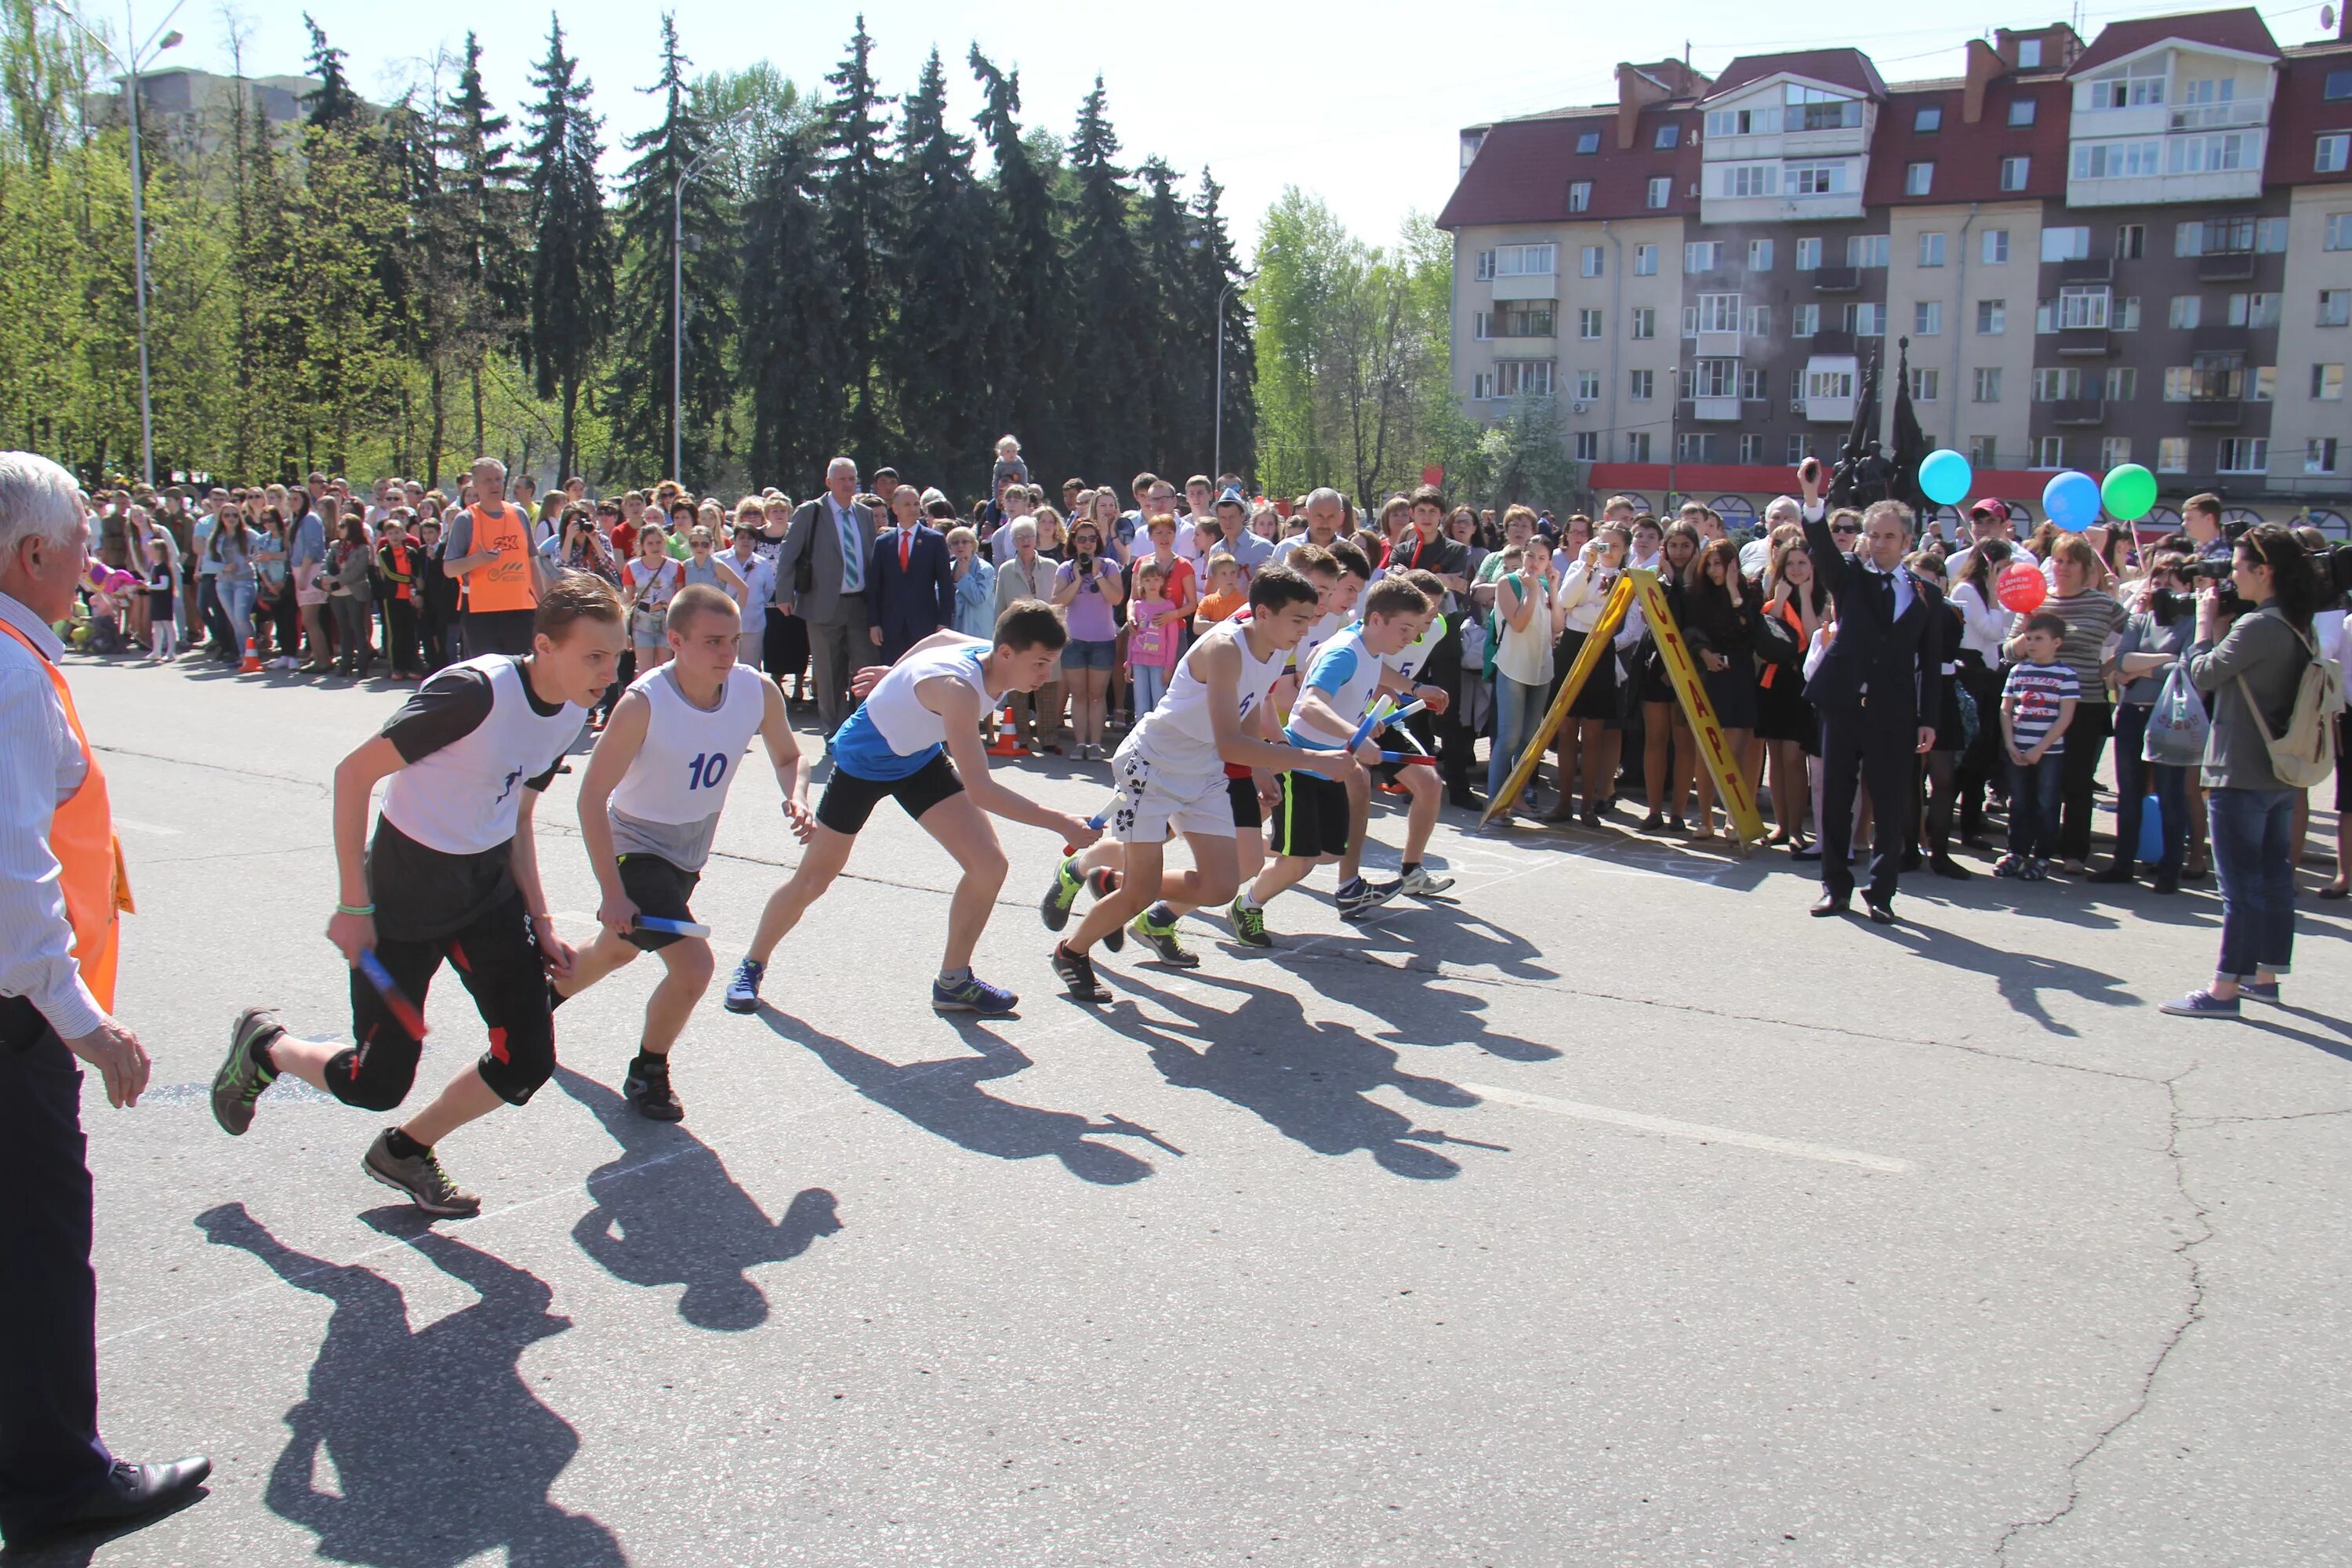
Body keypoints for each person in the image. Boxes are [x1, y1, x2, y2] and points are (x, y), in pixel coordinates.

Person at [209, 575, 626, 1214]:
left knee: (527, 1060)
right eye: (594, 656)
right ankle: (267, 1045)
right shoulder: (472, 693)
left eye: (617, 655)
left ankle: (404, 1151)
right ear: (544, 645)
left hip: (486, 896)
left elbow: (516, 815)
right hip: (399, 909)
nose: (609, 670)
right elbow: (352, 777)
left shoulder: (571, 710)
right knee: (375, 1083)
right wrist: (354, 905)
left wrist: (539, 918)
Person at [0, 453, 211, 1552]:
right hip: (13, 1018)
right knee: (35, 1244)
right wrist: (84, 1021)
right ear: (32, 556)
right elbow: (11, 875)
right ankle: (52, 1477)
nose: (97, 563)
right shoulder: (11, 671)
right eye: (84, 544)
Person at [723, 604, 1099, 1018]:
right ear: (1007, 652)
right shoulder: (959, 690)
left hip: (918, 757)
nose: (1048, 675)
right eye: (1041, 663)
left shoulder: (989, 653)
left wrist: (895, 674)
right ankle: (751, 964)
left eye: (1052, 663)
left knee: (989, 864)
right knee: (814, 879)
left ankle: (953, 982)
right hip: (865, 761)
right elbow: (981, 789)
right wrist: (1061, 822)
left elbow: (937, 639)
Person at [558, 586, 810, 1120]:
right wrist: (610, 890)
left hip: (689, 851)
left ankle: (538, 1001)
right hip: (636, 844)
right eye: (713, 641)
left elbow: (791, 756)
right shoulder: (643, 704)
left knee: (617, 950)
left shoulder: (755, 691)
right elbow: (589, 797)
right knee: (694, 966)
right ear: (674, 640)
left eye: (735, 640)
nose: (728, 653)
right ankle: (648, 1071)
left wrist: (796, 795)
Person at [1048, 567, 1341, 999]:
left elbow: (1246, 707)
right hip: (1152, 766)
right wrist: (1310, 759)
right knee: (1141, 891)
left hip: (1202, 770)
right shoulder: (1226, 648)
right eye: (1298, 617)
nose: (1306, 627)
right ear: (1262, 612)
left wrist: (1261, 768)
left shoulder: (1278, 646)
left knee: (1223, 885)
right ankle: (1072, 952)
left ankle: (1114, 880)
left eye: (1309, 617)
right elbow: (1229, 742)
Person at [2160, 525, 2332, 1017]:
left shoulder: (2258, 626)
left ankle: (2223, 991)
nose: (2233, 576)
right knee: (2274, 877)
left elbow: (2204, 674)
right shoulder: (2300, 624)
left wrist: (2201, 626)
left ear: (2265, 571)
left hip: (2240, 769)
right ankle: (2266, 975)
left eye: (2239, 567)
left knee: (2238, 887)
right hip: (2280, 770)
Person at [1230, 577, 1432, 943]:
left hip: (1329, 767)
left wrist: (1398, 701)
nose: (1410, 639)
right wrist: (1353, 735)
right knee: (1300, 862)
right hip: (1300, 763)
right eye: (1405, 629)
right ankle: (1247, 906)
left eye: (1416, 631)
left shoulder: (1369, 648)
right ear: (1376, 620)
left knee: (1325, 852)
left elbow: (1365, 676)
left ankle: (1243, 844)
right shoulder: (1345, 651)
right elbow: (1309, 704)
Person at [1799, 459, 1944, 924]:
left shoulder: (1925, 593)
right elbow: (1821, 547)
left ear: (1906, 541)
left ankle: (1881, 893)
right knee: (1836, 800)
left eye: (1889, 537)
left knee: (1891, 799)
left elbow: (1933, 664)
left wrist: (1928, 717)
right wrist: (1813, 500)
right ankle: (1835, 886)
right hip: (1843, 703)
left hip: (1894, 710)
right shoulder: (1850, 576)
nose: (1880, 544)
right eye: (1873, 535)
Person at [2004, 534, 2125, 875]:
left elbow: (2135, 630)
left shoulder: (2102, 604)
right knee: (2035, 782)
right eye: (2058, 560)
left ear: (2087, 569)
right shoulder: (2036, 601)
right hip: (2038, 705)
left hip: (2085, 701)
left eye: (2072, 562)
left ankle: (2073, 851)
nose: (2063, 568)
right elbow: (2008, 653)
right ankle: (2028, 847)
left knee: (2077, 781)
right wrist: (2026, 630)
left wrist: (2113, 665)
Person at [2096, 552, 2196, 892]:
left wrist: (2139, 668)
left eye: (2170, 584)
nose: (2162, 590)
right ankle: (2123, 862)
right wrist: (2164, 661)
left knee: (2170, 793)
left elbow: (2185, 667)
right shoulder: (2140, 620)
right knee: (2130, 792)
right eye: (2157, 582)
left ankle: (2170, 868)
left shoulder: (2192, 622)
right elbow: (2120, 660)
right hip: (2132, 714)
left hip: (2168, 717)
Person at [773, 458, 880, 737]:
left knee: (865, 670)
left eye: (852, 478)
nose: (848, 484)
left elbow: (871, 558)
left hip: (860, 604)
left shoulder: (864, 514)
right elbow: (788, 555)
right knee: (829, 672)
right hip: (822, 604)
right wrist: (784, 594)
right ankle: (834, 731)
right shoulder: (811, 512)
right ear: (829, 482)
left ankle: (863, 729)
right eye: (842, 479)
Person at [1996, 612, 2078, 880]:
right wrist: (2010, 744)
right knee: (2019, 802)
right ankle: (2015, 851)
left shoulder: (2065, 675)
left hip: (2049, 752)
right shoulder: (2018, 671)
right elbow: (2006, 709)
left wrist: (2039, 748)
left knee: (2047, 803)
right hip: (2018, 748)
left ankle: (2042, 856)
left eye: (2039, 639)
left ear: (2056, 642)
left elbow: (2065, 717)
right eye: (2028, 638)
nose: (2031, 643)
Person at [441, 458, 543, 659]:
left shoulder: (519, 514)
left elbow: (532, 563)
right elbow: (449, 569)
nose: (495, 485)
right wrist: (477, 560)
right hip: (481, 612)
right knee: (490, 674)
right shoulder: (466, 519)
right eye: (488, 480)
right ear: (476, 484)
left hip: (520, 609)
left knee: (522, 672)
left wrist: (545, 604)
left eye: (498, 479)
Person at [1486, 540, 1557, 817]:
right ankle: (1495, 801)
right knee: (1509, 737)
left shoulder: (1546, 585)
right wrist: (1531, 590)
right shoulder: (1508, 582)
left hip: (1540, 669)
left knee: (1528, 739)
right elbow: (1519, 623)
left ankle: (1516, 796)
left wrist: (1555, 588)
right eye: (1530, 555)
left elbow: (1558, 625)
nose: (1534, 562)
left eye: (1541, 558)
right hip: (1512, 666)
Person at [1053, 517, 1126, 760]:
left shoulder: (1109, 566)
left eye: (1091, 539)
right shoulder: (1065, 568)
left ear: (1098, 541)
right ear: (1074, 541)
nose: (1086, 544)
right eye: (1081, 539)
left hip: (1102, 640)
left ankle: (1095, 744)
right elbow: (1058, 601)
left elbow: (1116, 598)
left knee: (1097, 694)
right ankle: (1080, 743)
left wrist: (1097, 576)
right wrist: (1076, 579)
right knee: (1079, 694)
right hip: (1074, 641)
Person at [868, 483, 956, 665]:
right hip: (891, 626)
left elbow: (946, 586)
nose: (913, 509)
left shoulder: (935, 540)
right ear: (895, 508)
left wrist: (944, 623)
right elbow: (874, 586)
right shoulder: (883, 543)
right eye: (907, 505)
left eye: (916, 504)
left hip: (925, 625)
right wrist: (874, 623)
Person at [623, 524, 684, 674]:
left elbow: (680, 597)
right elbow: (627, 600)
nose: (655, 547)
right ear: (642, 545)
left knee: (666, 670)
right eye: (650, 543)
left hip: (667, 624)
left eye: (658, 542)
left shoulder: (675, 566)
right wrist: (625, 631)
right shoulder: (633, 567)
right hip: (642, 625)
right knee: (645, 671)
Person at [1126, 561, 1182, 715]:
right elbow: (1133, 636)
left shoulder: (1168, 607)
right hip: (1138, 661)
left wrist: (1169, 666)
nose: (1152, 584)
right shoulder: (1138, 606)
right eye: (1147, 580)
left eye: (1156, 579)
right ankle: (1141, 737)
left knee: (1159, 704)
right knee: (1141, 705)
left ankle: (1158, 738)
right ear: (1141, 582)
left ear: (1162, 581)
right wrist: (1129, 662)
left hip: (1159, 663)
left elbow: (1172, 640)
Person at [326, 515, 376, 678]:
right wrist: (326, 578)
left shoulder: (362, 548)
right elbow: (326, 563)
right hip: (336, 593)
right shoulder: (335, 546)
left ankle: (362, 665)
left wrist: (337, 579)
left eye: (343, 526)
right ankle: (345, 663)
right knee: (343, 629)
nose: (339, 529)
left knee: (358, 628)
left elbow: (359, 571)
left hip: (355, 592)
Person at [947, 524, 996, 639]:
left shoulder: (985, 569)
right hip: (952, 631)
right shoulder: (947, 569)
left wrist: (965, 575)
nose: (960, 545)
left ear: (973, 545)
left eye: (965, 542)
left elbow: (978, 599)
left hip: (976, 634)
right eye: (955, 542)